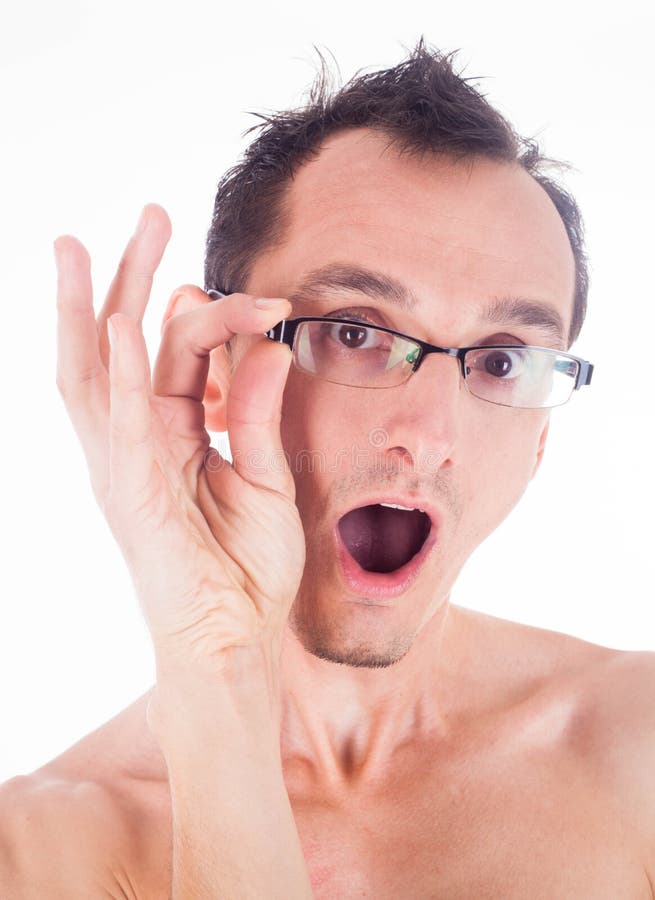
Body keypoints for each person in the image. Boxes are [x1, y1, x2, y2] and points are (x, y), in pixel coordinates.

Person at [1, 38, 654, 898]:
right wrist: (215, 665)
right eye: (356, 333)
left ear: (540, 438)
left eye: (501, 361)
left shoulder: (636, 746)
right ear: (216, 368)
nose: (427, 435)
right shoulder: (37, 854)